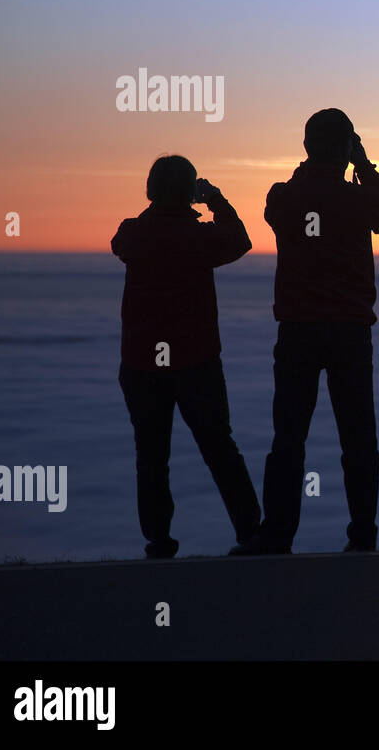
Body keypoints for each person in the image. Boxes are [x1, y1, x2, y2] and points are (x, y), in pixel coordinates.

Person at [242, 108, 379, 554]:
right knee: (358, 435)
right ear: (346, 147)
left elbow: (278, 208)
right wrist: (364, 166)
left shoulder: (285, 196)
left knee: (289, 437)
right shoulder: (358, 198)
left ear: (306, 146)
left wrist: (313, 165)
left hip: (297, 331)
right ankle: (363, 535)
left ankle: (277, 534)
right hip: (351, 332)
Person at [112, 156, 260, 559]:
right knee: (219, 449)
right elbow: (240, 239)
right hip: (197, 362)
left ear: (150, 190)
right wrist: (215, 200)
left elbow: (122, 241)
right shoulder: (199, 238)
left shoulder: (133, 233)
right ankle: (250, 532)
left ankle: (158, 541)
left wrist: (162, 206)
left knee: (152, 455)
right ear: (188, 191)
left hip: (141, 364)